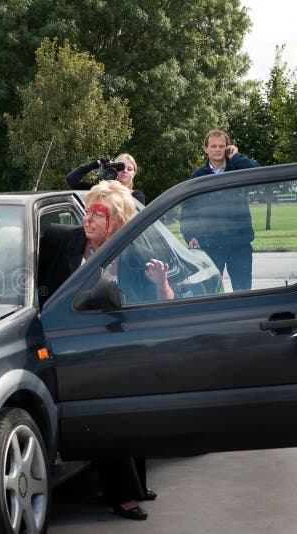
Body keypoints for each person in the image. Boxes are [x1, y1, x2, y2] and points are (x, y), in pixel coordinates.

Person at [37, 180, 171, 520]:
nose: (89, 219)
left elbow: (161, 306)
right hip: (62, 339)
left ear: (118, 222)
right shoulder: (59, 239)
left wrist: (161, 284)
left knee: (123, 406)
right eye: (89, 211)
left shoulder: (134, 256)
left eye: (100, 213)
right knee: (104, 410)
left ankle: (133, 487)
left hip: (113, 343)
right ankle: (125, 494)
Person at [180, 129, 259, 291]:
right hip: (210, 245)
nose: (217, 149)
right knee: (211, 292)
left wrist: (236, 157)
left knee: (244, 292)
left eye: (221, 146)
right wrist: (189, 235)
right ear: (206, 149)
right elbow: (187, 209)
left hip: (239, 244)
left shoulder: (238, 169)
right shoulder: (198, 175)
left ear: (227, 148)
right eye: (213, 146)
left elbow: (259, 174)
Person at [66, 153, 145, 204]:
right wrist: (96, 163)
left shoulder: (136, 196)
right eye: (121, 167)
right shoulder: (100, 190)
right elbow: (71, 180)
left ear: (134, 174)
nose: (125, 171)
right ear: (114, 168)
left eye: (129, 169)